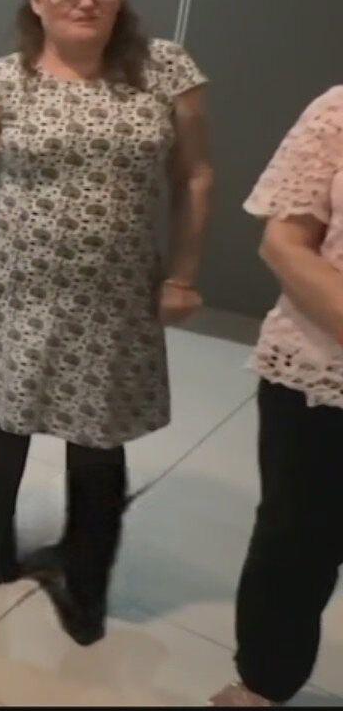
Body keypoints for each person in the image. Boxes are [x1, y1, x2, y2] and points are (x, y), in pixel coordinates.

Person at [0, 0, 213, 647]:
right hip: (15, 280)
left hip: (114, 291)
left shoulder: (165, 69)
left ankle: (86, 577)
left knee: (99, 430)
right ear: (38, 3)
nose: (85, 1)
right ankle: (1, 532)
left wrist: (183, 274)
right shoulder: (6, 77)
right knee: (5, 409)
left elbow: (194, 177)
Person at [210, 86, 343, 708]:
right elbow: (285, 241)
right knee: (295, 545)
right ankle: (263, 684)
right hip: (321, 370)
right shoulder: (338, 110)